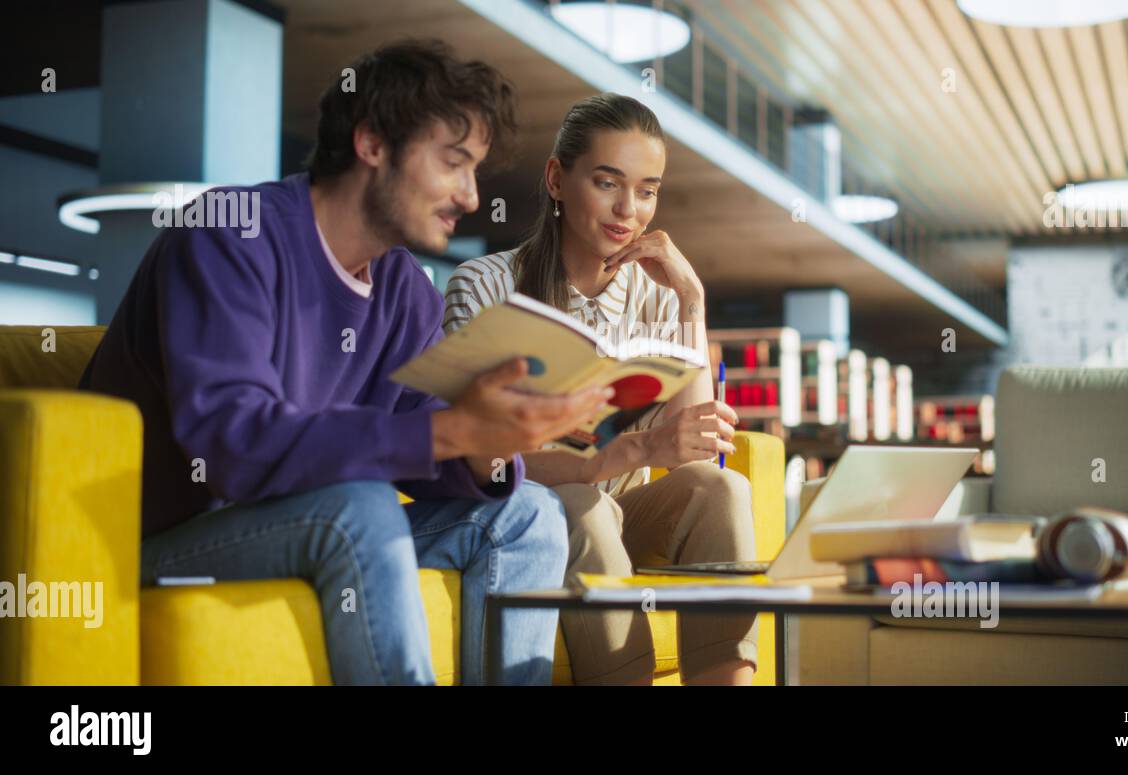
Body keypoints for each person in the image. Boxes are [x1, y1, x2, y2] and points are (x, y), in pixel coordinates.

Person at [79, 40, 610, 686]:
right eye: (454, 163)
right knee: (361, 504)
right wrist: (448, 431)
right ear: (373, 144)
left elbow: (430, 427)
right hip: (166, 539)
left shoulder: (405, 288)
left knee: (529, 513)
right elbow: (230, 442)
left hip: (311, 522)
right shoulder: (229, 234)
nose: (470, 197)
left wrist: (487, 441)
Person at [444, 93, 758, 686]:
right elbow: (480, 459)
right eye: (608, 183)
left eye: (647, 190)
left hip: (623, 517)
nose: (628, 210)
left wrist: (692, 303)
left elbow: (695, 443)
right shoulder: (483, 285)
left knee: (722, 487)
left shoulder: (659, 295)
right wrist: (624, 453)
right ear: (558, 180)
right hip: (533, 515)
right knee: (582, 502)